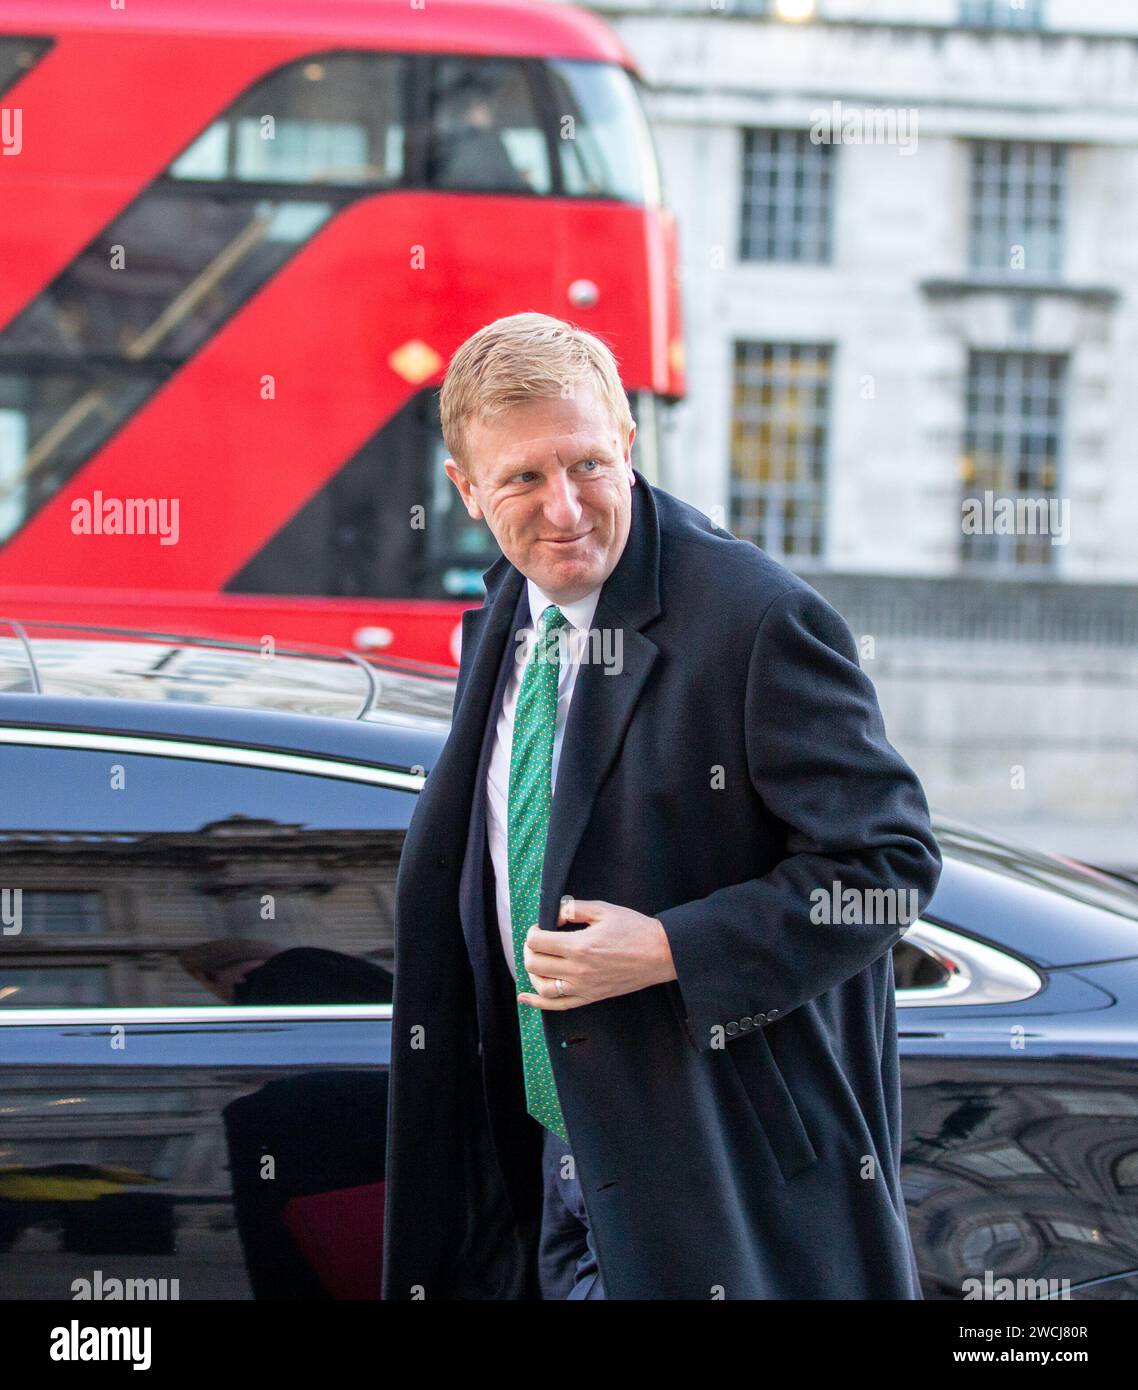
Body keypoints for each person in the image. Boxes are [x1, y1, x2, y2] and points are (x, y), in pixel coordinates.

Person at [381, 312, 942, 1300]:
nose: (565, 509)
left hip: (711, 1165)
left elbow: (887, 868)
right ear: (465, 489)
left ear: (630, 444)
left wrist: (670, 949)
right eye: (522, 479)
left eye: (589, 464)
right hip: (552, 1146)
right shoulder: (505, 615)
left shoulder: (756, 616)